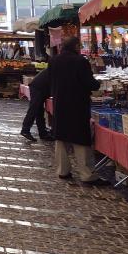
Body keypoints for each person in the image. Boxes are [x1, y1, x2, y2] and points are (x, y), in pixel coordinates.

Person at [48, 36, 107, 186]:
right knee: (80, 139)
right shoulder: (80, 61)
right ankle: (87, 175)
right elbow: (90, 83)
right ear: (75, 46)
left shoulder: (54, 60)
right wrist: (98, 83)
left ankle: (63, 171)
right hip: (77, 104)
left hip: (60, 104)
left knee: (61, 138)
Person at [20, 67, 53, 142]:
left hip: (40, 87)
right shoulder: (59, 69)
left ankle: (43, 133)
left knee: (39, 111)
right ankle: (25, 130)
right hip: (38, 88)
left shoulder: (56, 66)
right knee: (34, 109)